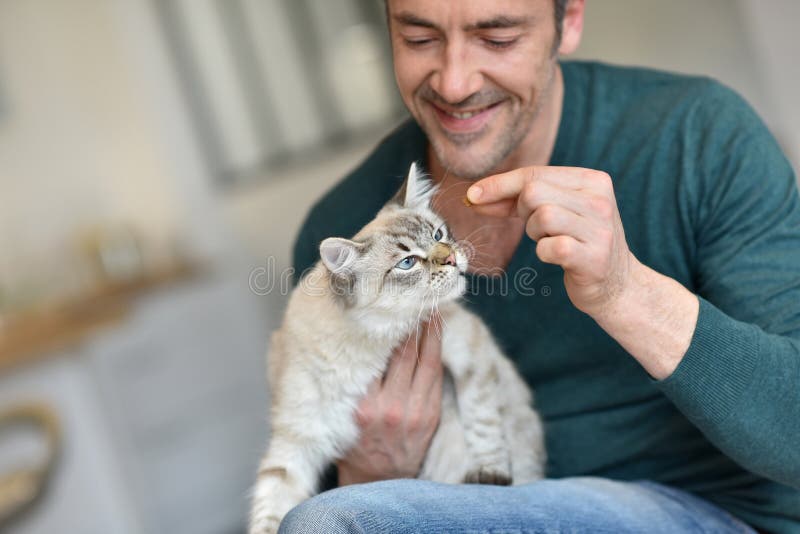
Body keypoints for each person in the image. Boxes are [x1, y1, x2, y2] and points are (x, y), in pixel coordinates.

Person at [281, 0, 800, 532]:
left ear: (568, 21)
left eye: (498, 39)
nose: (454, 83)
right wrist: (371, 470)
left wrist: (625, 291)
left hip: (714, 515)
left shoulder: (699, 135)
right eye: (419, 38)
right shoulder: (345, 237)